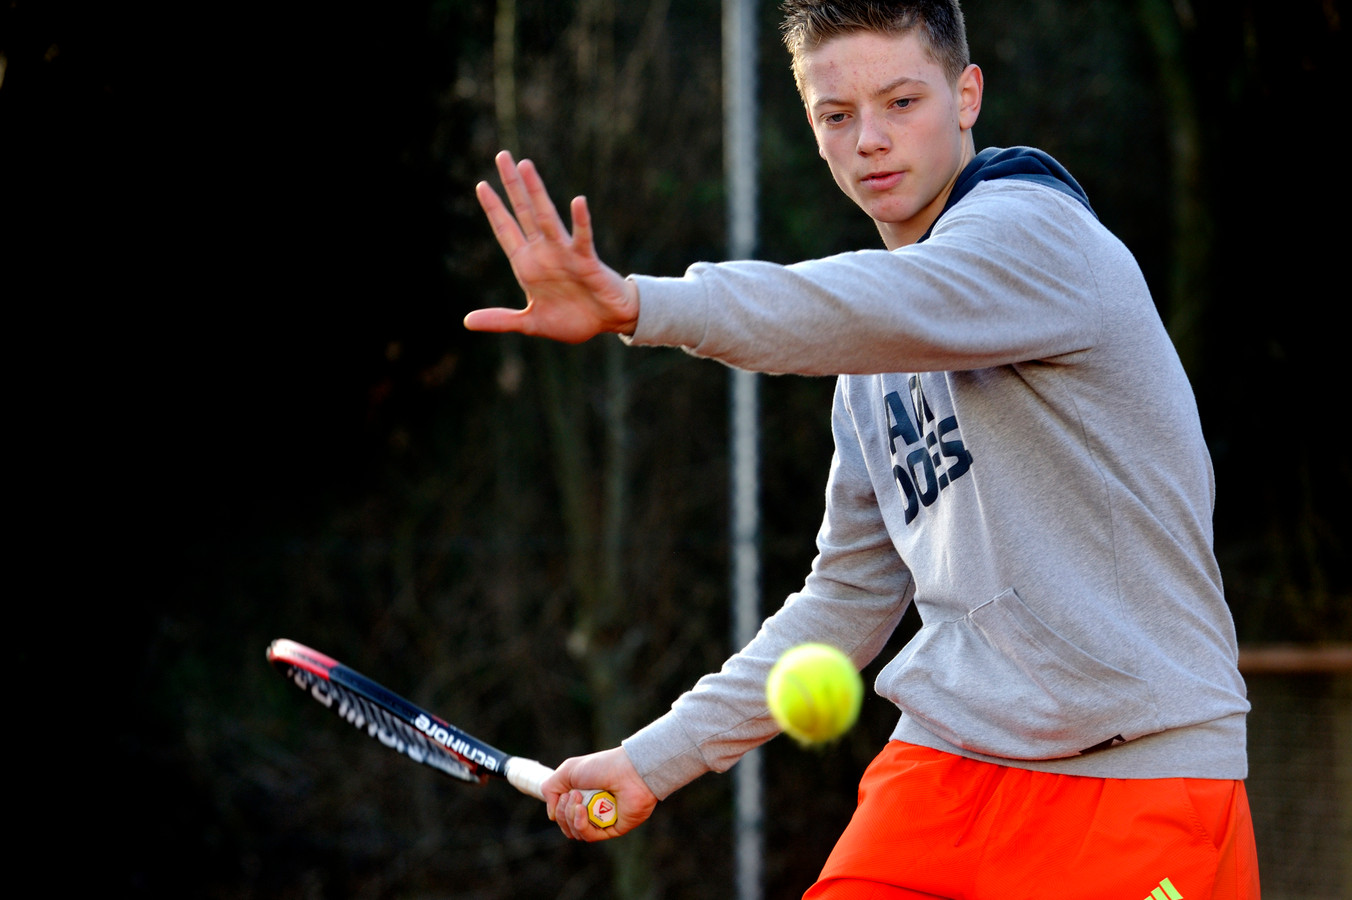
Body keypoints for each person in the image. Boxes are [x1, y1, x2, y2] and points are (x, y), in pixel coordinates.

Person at [465, 1, 1261, 896]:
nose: (869, 140)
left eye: (901, 103)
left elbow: (854, 307)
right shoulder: (873, 368)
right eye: (836, 116)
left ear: (967, 96)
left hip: (1139, 773)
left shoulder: (1039, 235)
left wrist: (639, 306)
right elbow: (844, 599)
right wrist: (653, 760)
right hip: (947, 770)